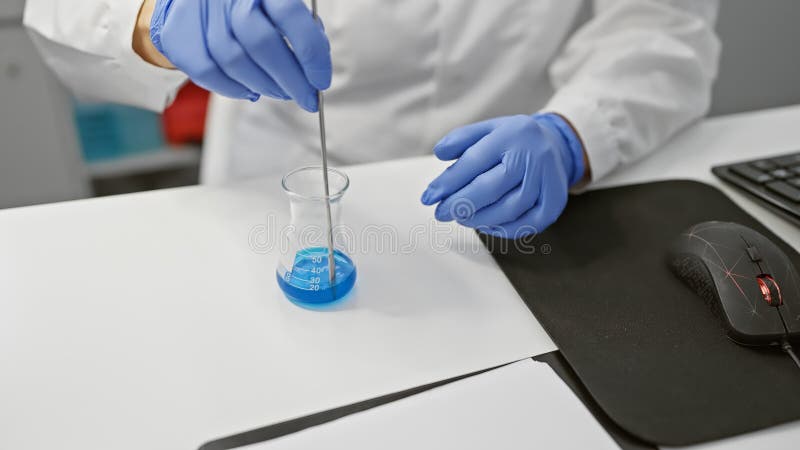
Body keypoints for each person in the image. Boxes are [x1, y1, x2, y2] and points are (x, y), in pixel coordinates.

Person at [24, 0, 720, 238]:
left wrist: (575, 133)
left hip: (505, 182)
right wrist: (153, 17)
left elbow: (660, 24)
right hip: (281, 176)